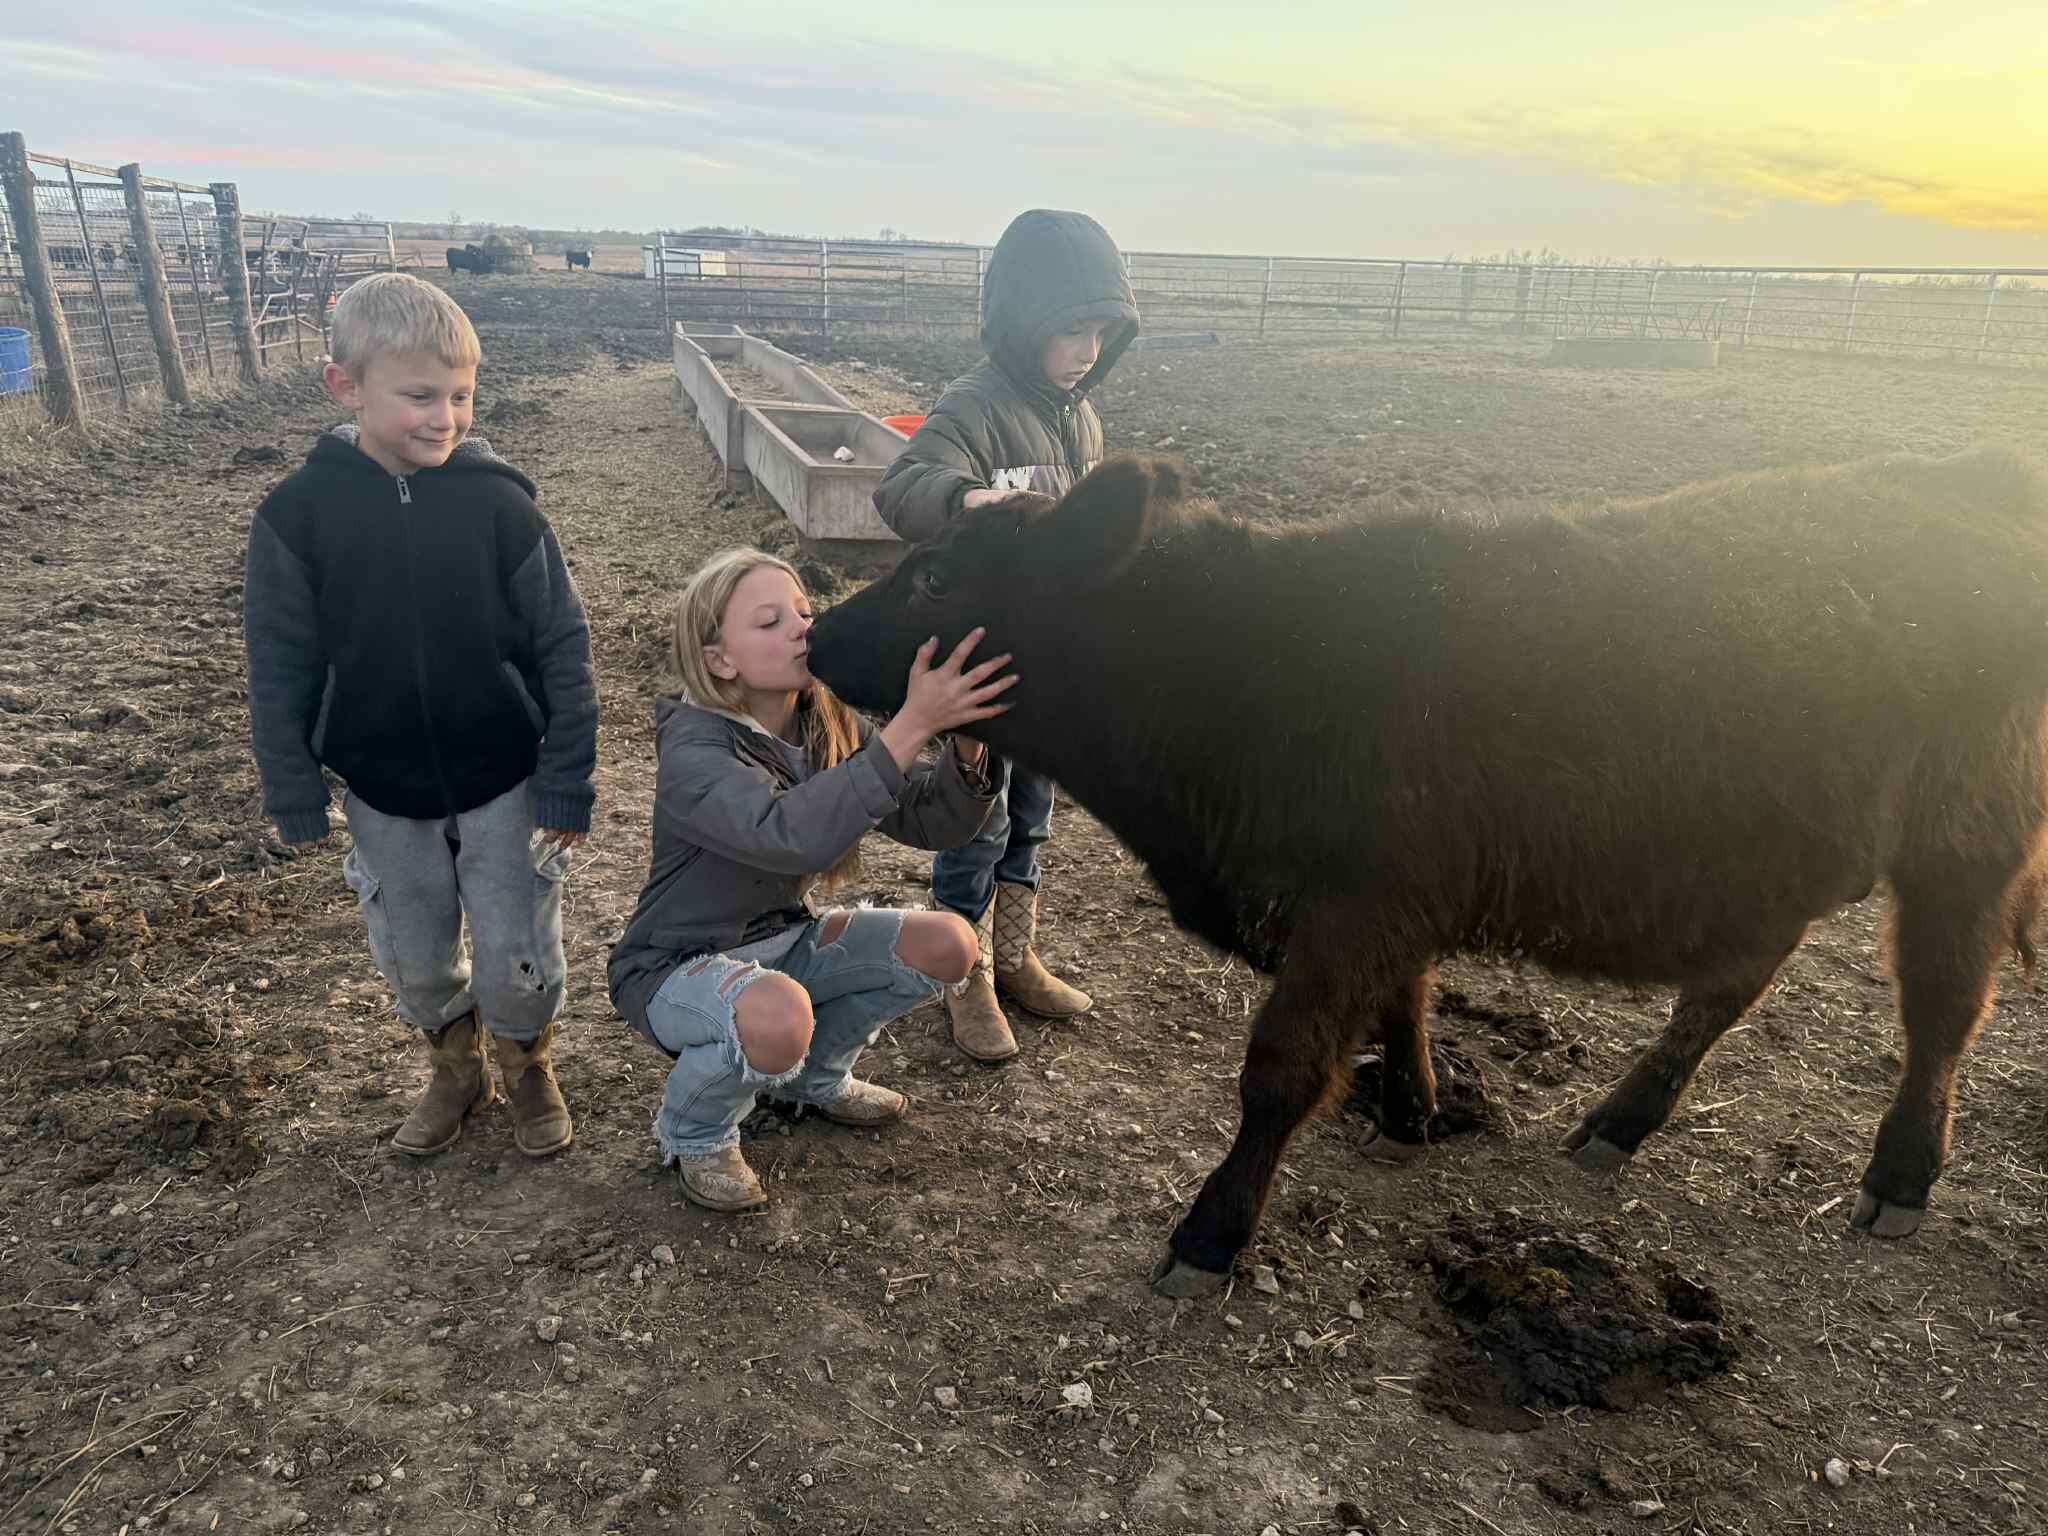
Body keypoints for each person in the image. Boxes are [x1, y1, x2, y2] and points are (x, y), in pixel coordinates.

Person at [243, 272, 597, 1160]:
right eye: (419, 396)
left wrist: (568, 777)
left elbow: (564, 646)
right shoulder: (297, 517)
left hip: (503, 776)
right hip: (380, 785)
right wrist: (292, 784)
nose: (445, 417)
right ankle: (453, 1065)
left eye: (461, 396)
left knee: (519, 938)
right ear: (346, 386)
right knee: (413, 945)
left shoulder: (501, 507)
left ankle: (527, 1061)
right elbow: (278, 660)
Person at [607, 550, 1011, 1211]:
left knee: (951, 944)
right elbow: (786, 833)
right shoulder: (693, 750)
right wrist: (913, 724)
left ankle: (811, 1080)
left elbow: (932, 820)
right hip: (673, 968)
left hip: (783, 944)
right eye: (770, 622)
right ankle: (695, 1132)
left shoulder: (823, 718)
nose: (801, 629)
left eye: (804, 612)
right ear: (719, 660)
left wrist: (967, 746)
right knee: (779, 1015)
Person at [871, 209, 1140, 1062]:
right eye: (1070, 330)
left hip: (1047, 670)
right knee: (976, 820)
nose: (1087, 349)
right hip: (980, 671)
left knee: (1033, 814)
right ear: (1023, 326)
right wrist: (963, 500)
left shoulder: (1080, 419)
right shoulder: (976, 406)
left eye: (1100, 331)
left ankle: (1015, 952)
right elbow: (902, 483)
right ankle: (964, 972)